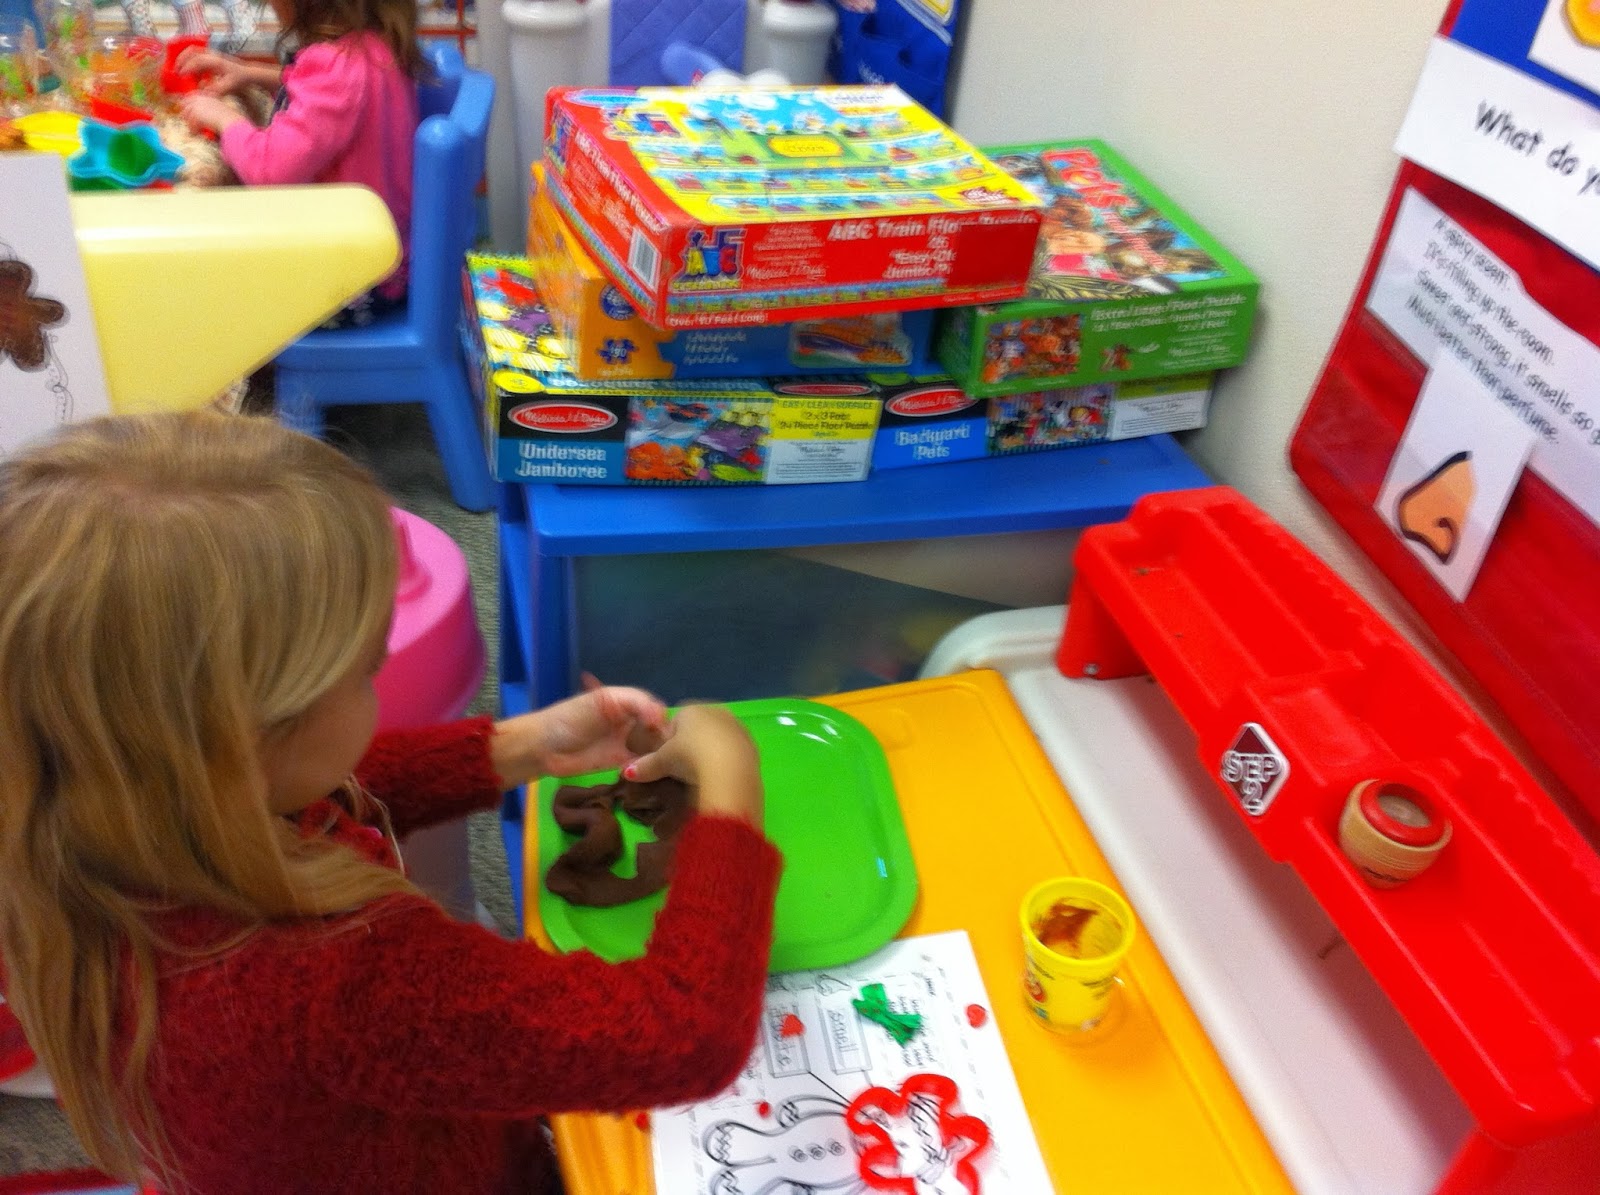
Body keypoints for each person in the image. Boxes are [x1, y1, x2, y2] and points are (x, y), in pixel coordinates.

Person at [0, 411, 779, 1194]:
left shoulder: (70, 818)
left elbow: (320, 795)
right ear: (245, 739)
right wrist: (729, 781)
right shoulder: (340, 973)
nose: (376, 680)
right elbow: (685, 1034)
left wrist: (522, 748)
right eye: (367, 669)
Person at [175, 0, 422, 326]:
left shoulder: (338, 69)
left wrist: (225, 119)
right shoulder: (375, 46)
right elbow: (321, 100)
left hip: (352, 286)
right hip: (385, 262)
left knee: (207, 267)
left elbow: (267, 170)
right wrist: (248, 73)